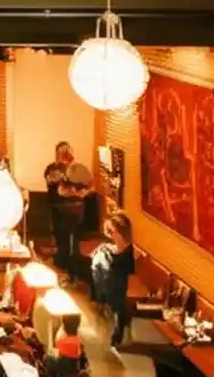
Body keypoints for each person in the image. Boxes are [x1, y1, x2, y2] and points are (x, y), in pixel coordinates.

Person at [44, 142, 89, 279]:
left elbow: (86, 188)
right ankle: (62, 265)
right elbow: (51, 180)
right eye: (62, 152)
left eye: (67, 152)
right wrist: (63, 175)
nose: (65, 155)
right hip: (58, 209)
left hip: (74, 210)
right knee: (60, 238)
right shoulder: (52, 168)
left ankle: (71, 272)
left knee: (72, 241)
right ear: (57, 154)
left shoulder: (77, 169)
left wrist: (77, 192)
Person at [91, 212, 136, 346]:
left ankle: (115, 334)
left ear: (121, 232)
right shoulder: (106, 250)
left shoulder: (130, 254)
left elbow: (126, 275)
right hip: (105, 291)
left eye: (111, 231)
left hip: (118, 296)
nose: (108, 234)